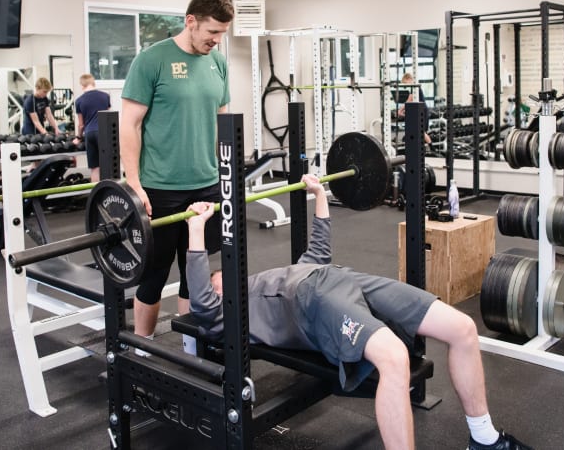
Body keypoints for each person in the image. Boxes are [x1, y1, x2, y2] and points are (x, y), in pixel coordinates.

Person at [183, 175, 533, 450]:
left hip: (342, 277)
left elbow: (318, 251)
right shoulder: (233, 311)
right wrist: (196, 232)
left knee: (463, 327)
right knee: (394, 359)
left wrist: (319, 193)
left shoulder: (275, 275)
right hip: (312, 301)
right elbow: (201, 303)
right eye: (218, 278)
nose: (226, 276)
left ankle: (485, 438)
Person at [120, 0, 234, 351]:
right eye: (212, 32)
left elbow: (223, 120)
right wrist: (134, 183)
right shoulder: (152, 59)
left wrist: (226, 176)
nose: (216, 41)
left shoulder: (218, 63)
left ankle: (191, 349)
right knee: (154, 274)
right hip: (160, 188)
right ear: (191, 21)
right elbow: (130, 123)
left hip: (206, 186)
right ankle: (142, 347)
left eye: (221, 34)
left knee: (194, 273)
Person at [72, 73, 111, 182]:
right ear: (93, 82)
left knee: (95, 168)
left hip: (89, 134)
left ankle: (96, 196)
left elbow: (81, 125)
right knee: (108, 166)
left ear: (82, 85)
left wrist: (78, 138)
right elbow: (109, 116)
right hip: (103, 132)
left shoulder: (79, 100)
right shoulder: (105, 96)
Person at [397, 72, 432, 145]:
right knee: (419, 131)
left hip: (422, 110)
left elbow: (409, 101)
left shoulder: (415, 87)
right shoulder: (413, 88)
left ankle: (431, 146)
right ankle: (425, 147)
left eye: (405, 83)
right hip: (419, 110)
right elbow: (410, 102)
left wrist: (400, 110)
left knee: (420, 131)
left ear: (409, 79)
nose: (406, 85)